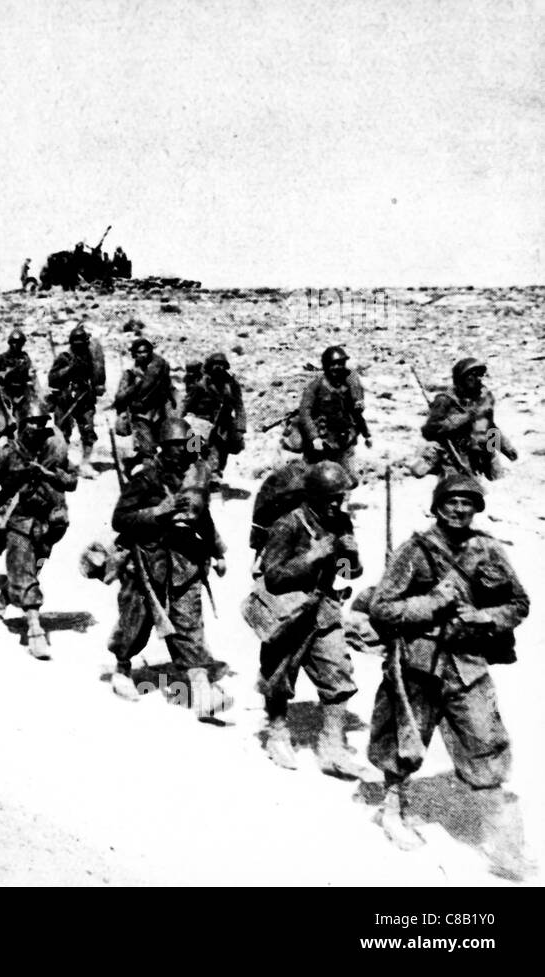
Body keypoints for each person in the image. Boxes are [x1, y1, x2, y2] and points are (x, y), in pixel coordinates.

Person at [365, 475, 534, 879]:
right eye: (452, 502)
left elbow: (519, 602)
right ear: (437, 505)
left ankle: (505, 846)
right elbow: (383, 609)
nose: (460, 509)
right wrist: (433, 602)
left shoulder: (487, 549)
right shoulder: (415, 550)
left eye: (468, 503)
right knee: (407, 736)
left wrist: (485, 617)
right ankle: (392, 806)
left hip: (468, 663)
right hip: (419, 663)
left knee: (486, 743)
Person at [104, 419, 231, 718]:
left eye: (186, 446)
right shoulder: (145, 479)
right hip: (147, 561)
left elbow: (204, 516)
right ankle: (122, 668)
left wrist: (218, 550)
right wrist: (157, 514)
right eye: (177, 447)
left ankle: (200, 690)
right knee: (137, 620)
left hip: (185, 559)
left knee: (188, 621)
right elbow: (120, 519)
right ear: (164, 447)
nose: (184, 452)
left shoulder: (193, 475)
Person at [255, 461, 370, 776]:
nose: (336, 504)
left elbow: (349, 574)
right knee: (278, 675)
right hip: (287, 610)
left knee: (338, 673)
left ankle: (331, 745)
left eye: (340, 497)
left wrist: (350, 556)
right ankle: (277, 732)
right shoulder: (288, 524)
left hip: (323, 609)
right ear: (313, 495)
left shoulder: (341, 522)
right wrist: (312, 556)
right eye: (329, 498)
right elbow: (274, 577)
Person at [0, 403, 77, 659]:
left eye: (43, 422)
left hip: (50, 524)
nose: (39, 427)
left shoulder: (54, 446)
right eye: (33, 422)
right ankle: (35, 631)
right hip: (16, 521)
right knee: (24, 573)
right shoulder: (7, 454)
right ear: (21, 424)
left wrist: (49, 474)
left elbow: (71, 479)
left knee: (29, 572)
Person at [420, 357, 517, 480]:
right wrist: (463, 419)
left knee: (498, 485)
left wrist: (505, 447)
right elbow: (429, 430)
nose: (479, 379)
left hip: (484, 453)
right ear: (462, 377)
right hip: (455, 455)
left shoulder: (484, 397)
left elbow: (489, 426)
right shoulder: (445, 400)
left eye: (481, 375)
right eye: (474, 375)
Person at [297, 346, 371, 486]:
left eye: (340, 364)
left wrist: (366, 434)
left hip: (344, 438)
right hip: (323, 440)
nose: (337, 368)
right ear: (326, 366)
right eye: (333, 364)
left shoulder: (351, 381)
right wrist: (314, 437)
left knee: (347, 481)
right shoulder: (316, 385)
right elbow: (304, 412)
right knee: (317, 480)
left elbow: (356, 412)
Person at [48, 324, 106, 478]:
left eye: (82, 343)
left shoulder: (91, 356)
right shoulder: (64, 356)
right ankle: (61, 463)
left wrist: (97, 386)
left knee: (88, 432)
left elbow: (98, 378)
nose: (79, 346)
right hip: (65, 399)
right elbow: (52, 379)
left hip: (85, 398)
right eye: (76, 343)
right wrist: (69, 369)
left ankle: (85, 464)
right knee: (62, 432)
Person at [183, 351, 247, 485]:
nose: (218, 368)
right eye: (215, 365)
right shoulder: (202, 384)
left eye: (221, 365)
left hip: (224, 423)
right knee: (195, 449)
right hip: (202, 420)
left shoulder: (231, 384)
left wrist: (241, 427)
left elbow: (239, 406)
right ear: (209, 367)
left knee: (223, 448)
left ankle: (215, 473)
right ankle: (195, 472)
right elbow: (187, 403)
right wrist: (178, 421)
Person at [113, 336, 173, 465]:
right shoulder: (130, 373)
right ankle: (149, 477)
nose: (143, 355)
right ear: (134, 354)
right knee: (147, 451)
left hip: (159, 414)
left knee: (168, 448)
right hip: (140, 416)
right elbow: (119, 397)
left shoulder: (160, 369)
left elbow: (169, 389)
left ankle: (131, 463)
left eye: (145, 352)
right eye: (139, 352)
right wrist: (134, 387)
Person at [0, 328, 36, 448]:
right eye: (14, 343)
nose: (16, 345)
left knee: (22, 423)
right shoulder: (1, 358)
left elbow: (30, 373)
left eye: (19, 343)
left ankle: (18, 447)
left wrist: (30, 375)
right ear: (9, 343)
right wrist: (2, 375)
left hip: (21, 393)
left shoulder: (25, 358)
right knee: (0, 424)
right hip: (5, 393)